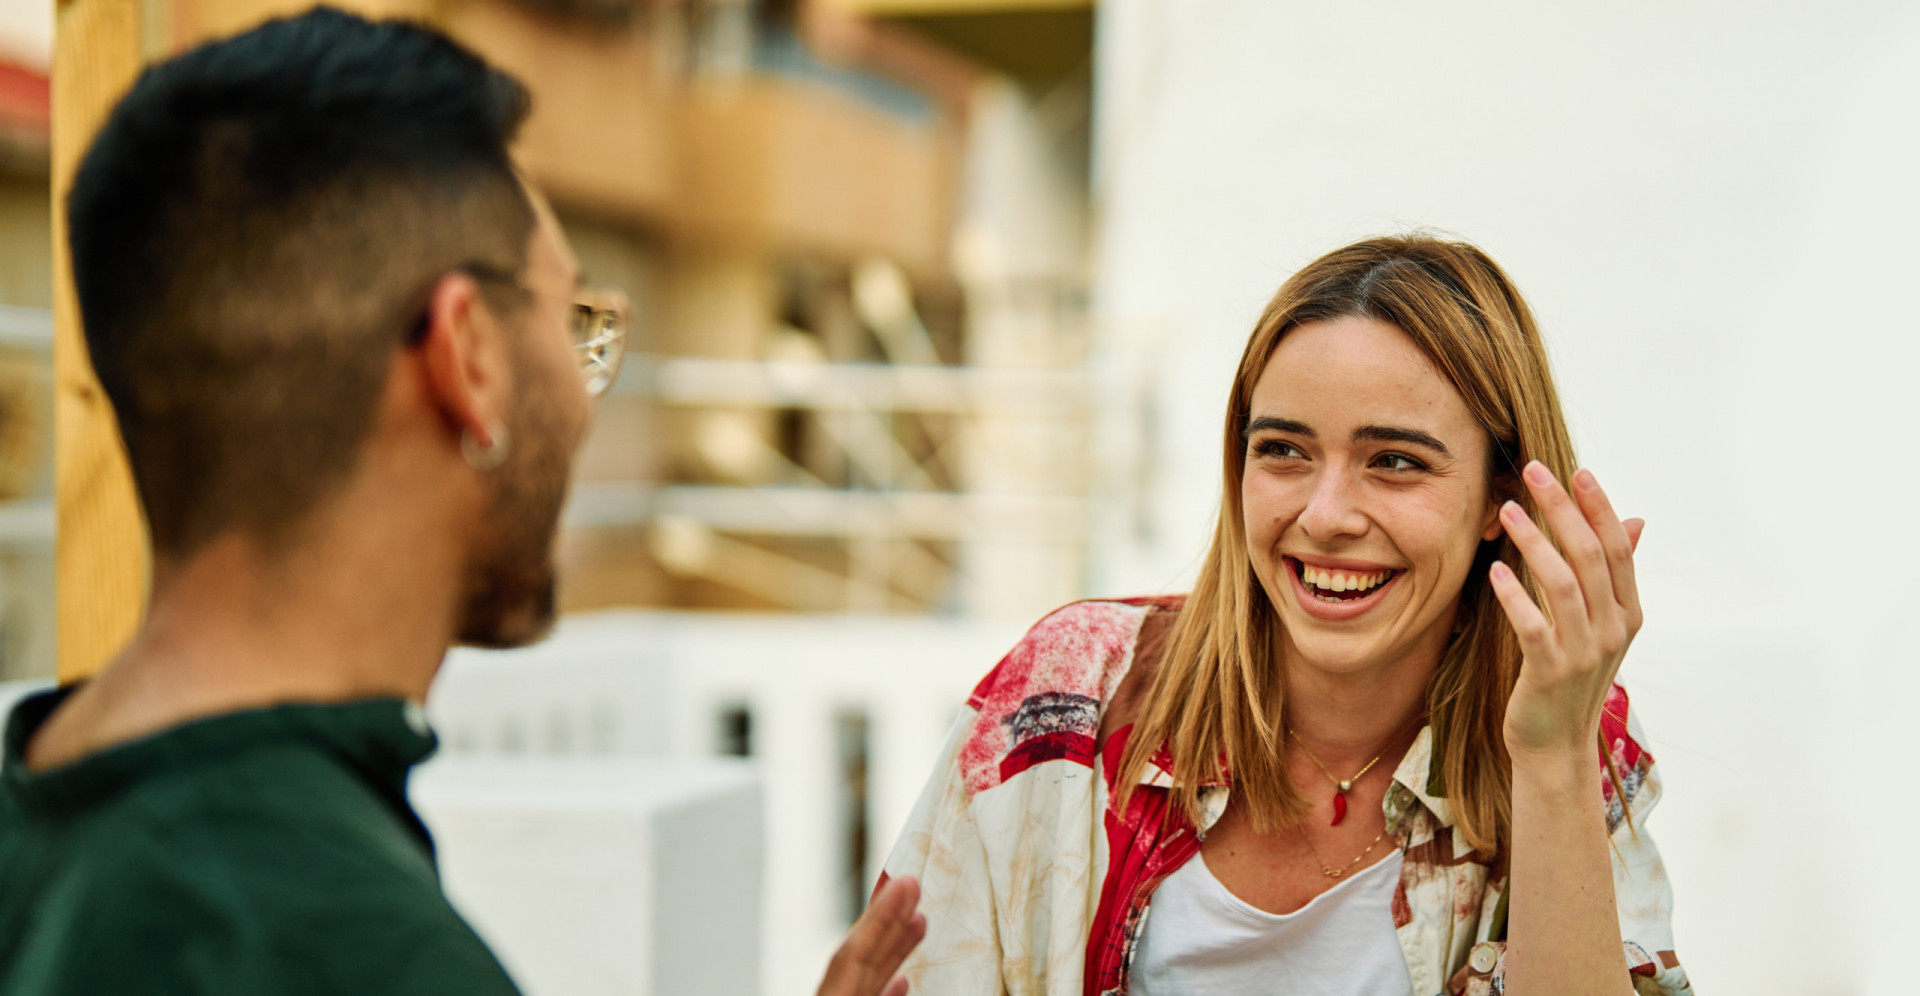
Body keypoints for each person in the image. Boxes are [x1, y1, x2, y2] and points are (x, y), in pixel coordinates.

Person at [0, 9, 922, 995]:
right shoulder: (348, 946)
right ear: (468, 355)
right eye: (575, 324)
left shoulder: (52, 827)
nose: (581, 392)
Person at [877, 236, 1694, 995]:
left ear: (1500, 502)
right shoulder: (1070, 694)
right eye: (1283, 450)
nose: (1326, 513)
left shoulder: (1568, 739)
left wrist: (1552, 763)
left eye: (1396, 462)